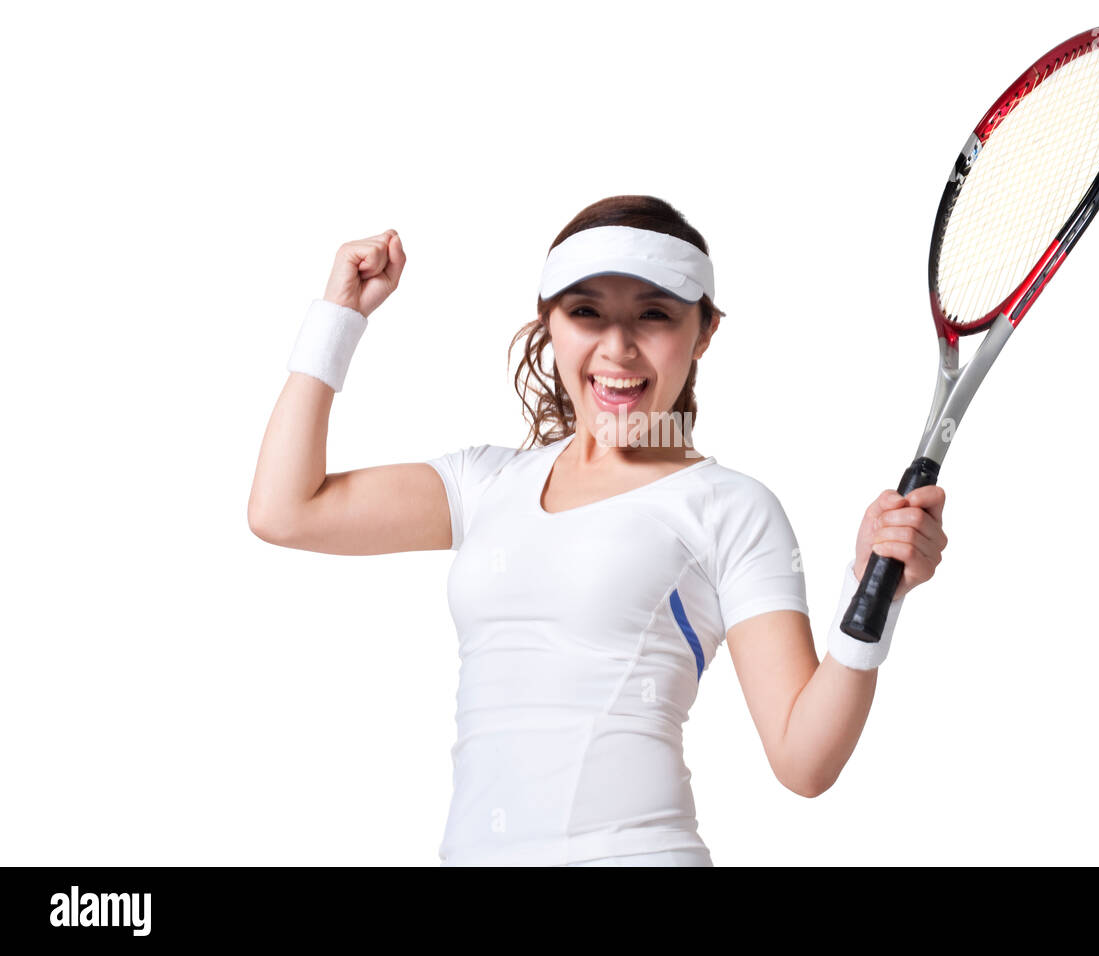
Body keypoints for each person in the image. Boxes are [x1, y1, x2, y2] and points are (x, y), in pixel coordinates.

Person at [248, 195, 948, 866]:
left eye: (653, 315)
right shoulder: (486, 483)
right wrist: (339, 316)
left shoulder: (730, 507)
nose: (618, 349)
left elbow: (804, 759)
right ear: (550, 322)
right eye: (586, 312)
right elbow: (286, 510)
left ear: (704, 331)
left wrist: (874, 592)